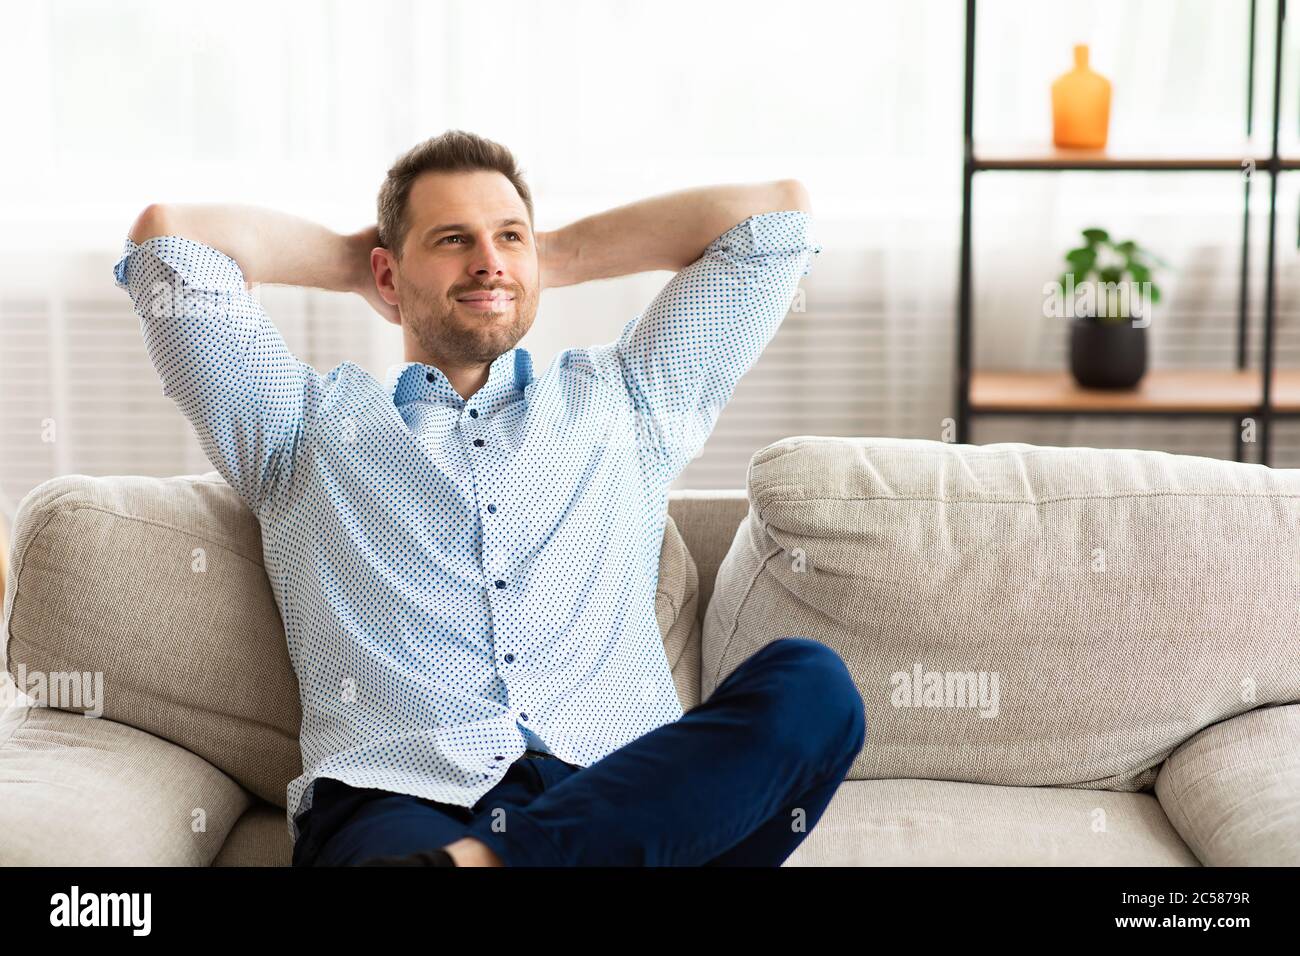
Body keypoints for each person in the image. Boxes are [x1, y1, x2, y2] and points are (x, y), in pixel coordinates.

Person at [112, 129, 865, 866]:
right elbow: (167, 241)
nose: (487, 262)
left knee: (813, 685)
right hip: (400, 800)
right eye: (451, 240)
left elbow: (775, 220)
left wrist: (546, 254)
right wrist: (358, 263)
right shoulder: (300, 430)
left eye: (509, 237)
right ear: (386, 276)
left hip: (622, 798)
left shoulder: (627, 401)